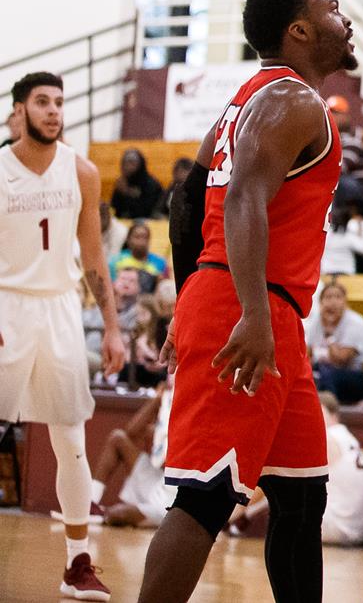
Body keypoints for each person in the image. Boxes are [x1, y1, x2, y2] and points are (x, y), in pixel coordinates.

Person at [143, 0, 357, 603]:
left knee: (299, 495)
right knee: (206, 495)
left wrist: (190, 300)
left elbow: (186, 196)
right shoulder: (292, 101)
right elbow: (241, 199)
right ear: (299, 30)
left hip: (260, 310)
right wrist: (252, 315)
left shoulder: (246, 101)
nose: (344, 22)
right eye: (334, 10)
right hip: (250, 305)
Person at [2, 71, 124, 601]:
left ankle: (77, 564)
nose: (53, 110)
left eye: (59, 103)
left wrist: (115, 327)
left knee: (71, 438)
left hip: (59, 310)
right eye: (42, 102)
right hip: (5, 304)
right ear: (19, 110)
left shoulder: (82, 171)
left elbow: (94, 255)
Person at [97, 378, 174, 531]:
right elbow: (131, 432)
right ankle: (91, 504)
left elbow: (167, 459)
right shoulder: (167, 400)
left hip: (173, 495)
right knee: (118, 438)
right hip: (156, 480)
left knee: (117, 514)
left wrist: (157, 438)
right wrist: (157, 399)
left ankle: (106, 515)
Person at [318, 391, 363, 547]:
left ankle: (244, 514)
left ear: (334, 415)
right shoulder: (350, 439)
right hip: (362, 531)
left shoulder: (327, 437)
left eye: (318, 413)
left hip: (337, 528)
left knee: (280, 479)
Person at [306, 279, 363, 403]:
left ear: (345, 302)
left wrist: (330, 335)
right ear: (321, 302)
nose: (333, 302)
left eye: (338, 297)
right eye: (328, 297)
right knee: (308, 374)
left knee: (327, 375)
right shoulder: (316, 321)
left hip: (354, 376)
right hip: (323, 371)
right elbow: (307, 355)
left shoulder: (356, 322)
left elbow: (341, 360)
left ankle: (328, 412)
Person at [113, 147, 168, 219]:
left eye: (131, 162)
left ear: (140, 164)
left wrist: (126, 191)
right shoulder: (123, 182)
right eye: (124, 163)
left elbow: (147, 211)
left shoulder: (150, 183)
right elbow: (115, 208)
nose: (127, 166)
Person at [116, 219, 171, 290]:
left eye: (144, 237)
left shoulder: (161, 263)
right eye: (137, 237)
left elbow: (166, 290)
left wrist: (159, 282)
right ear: (128, 239)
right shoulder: (117, 261)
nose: (141, 241)